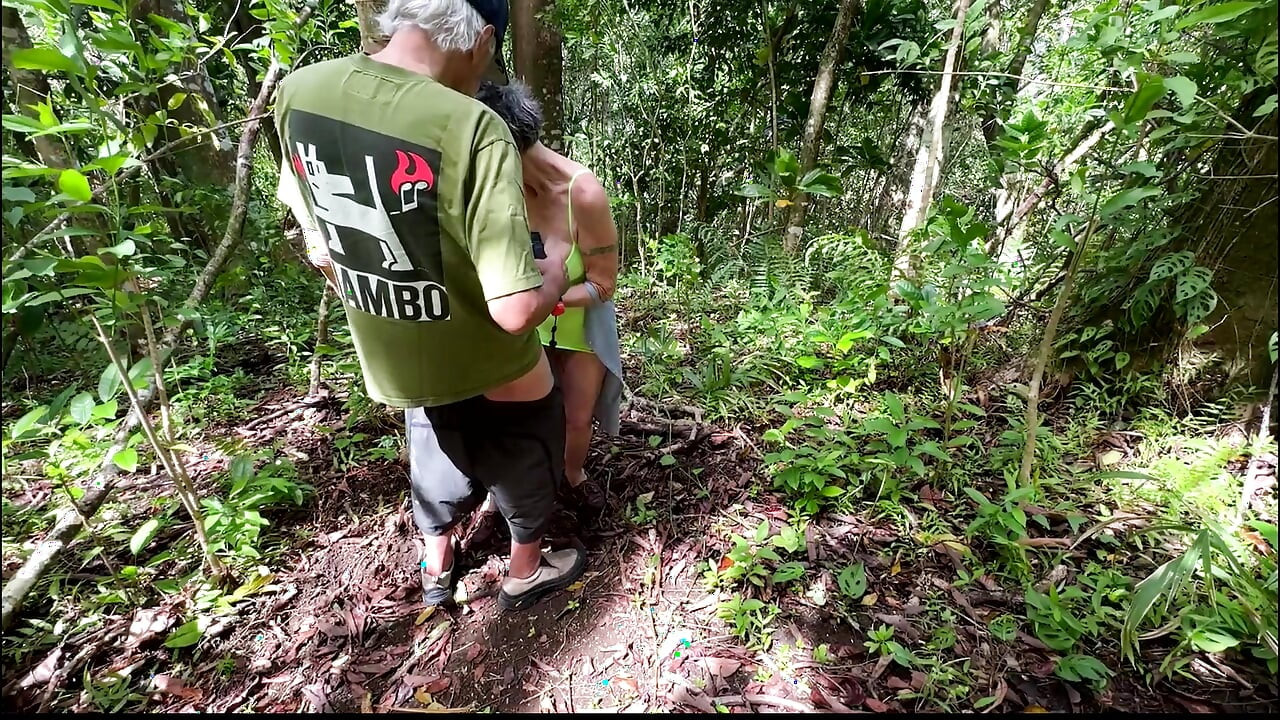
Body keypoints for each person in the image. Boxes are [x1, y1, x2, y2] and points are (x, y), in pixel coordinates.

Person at [273, 0, 586, 612]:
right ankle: (524, 569)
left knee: (433, 427)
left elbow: (318, 237)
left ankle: (437, 557)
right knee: (532, 431)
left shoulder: (298, 92)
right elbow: (515, 312)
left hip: (391, 348)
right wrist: (550, 275)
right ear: (483, 39)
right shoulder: (471, 126)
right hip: (482, 347)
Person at [476, 81, 623, 506]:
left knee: (577, 419)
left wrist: (550, 300)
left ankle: (571, 477)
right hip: (527, 325)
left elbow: (603, 283)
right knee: (520, 416)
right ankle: (517, 495)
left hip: (580, 326)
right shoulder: (502, 191)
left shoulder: (584, 193)